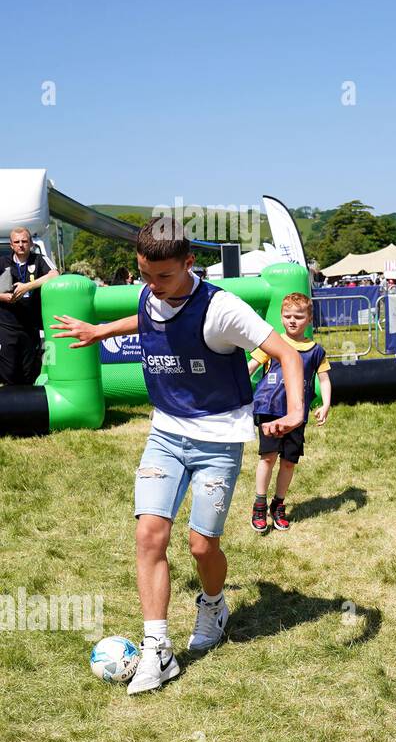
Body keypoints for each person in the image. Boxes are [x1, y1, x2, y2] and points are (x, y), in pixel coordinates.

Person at [51, 217, 304, 694]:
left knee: (201, 545)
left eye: (164, 276)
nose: (152, 286)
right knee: (150, 534)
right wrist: (100, 330)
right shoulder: (152, 293)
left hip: (218, 438)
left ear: (190, 263)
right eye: (145, 275)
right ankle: (158, 650)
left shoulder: (221, 310)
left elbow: (286, 353)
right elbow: (146, 316)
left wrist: (293, 411)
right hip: (165, 433)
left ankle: (213, 604)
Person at [246, 293, 332, 531]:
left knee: (288, 462)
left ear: (309, 319)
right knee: (268, 457)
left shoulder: (316, 351)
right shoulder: (272, 344)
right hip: (270, 410)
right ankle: (260, 505)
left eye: (298, 316)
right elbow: (251, 367)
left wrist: (325, 404)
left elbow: (323, 380)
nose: (292, 320)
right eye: (287, 316)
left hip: (297, 416)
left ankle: (278, 504)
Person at [0, 227, 59, 386]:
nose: (21, 245)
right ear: (11, 245)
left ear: (31, 243)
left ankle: (27, 408)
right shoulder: (2, 262)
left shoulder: (39, 259)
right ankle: (10, 408)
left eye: (24, 241)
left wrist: (27, 286)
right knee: (8, 372)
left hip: (31, 327)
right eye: (17, 242)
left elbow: (55, 275)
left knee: (30, 372)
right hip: (7, 326)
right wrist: (4, 297)